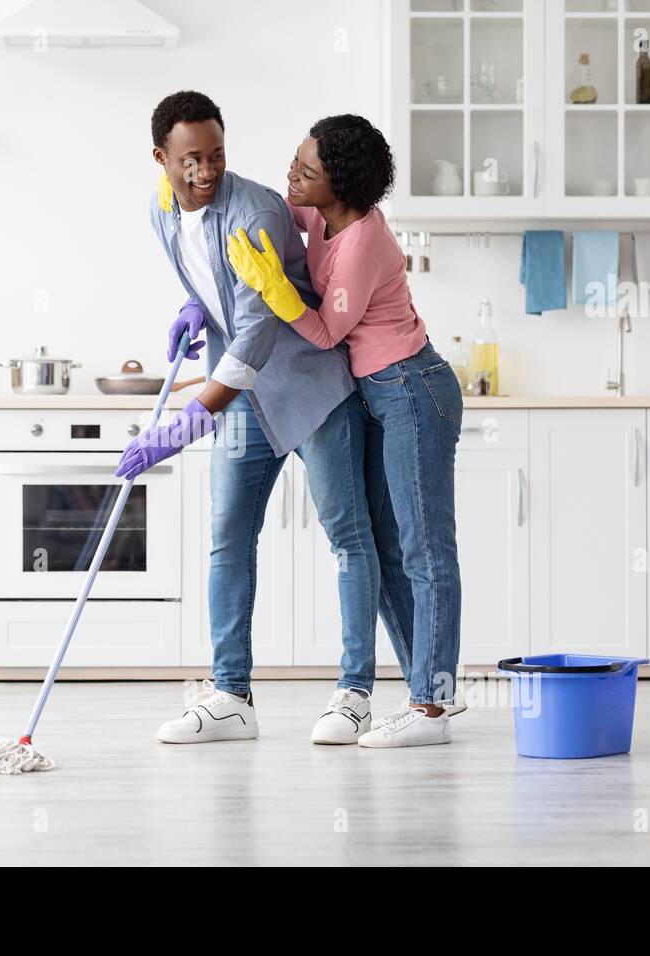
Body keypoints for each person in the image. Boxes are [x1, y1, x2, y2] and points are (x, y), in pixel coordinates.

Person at [119, 91, 382, 745]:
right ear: (161, 159)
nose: (204, 173)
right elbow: (207, 281)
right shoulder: (160, 210)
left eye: (215, 156)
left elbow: (258, 334)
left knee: (348, 539)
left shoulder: (257, 212)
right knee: (228, 540)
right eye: (189, 161)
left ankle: (354, 694)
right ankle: (231, 696)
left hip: (310, 389)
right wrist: (194, 308)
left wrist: (188, 422)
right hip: (245, 401)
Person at [227, 114, 463, 748]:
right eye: (295, 162)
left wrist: (278, 293)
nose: (292, 176)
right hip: (381, 396)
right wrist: (201, 185)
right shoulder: (323, 217)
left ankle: (433, 708)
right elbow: (273, 210)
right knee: (390, 551)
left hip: (413, 388)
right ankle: (430, 690)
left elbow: (328, 333)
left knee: (424, 549)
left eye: (306, 171)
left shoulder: (360, 241)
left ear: (342, 183)